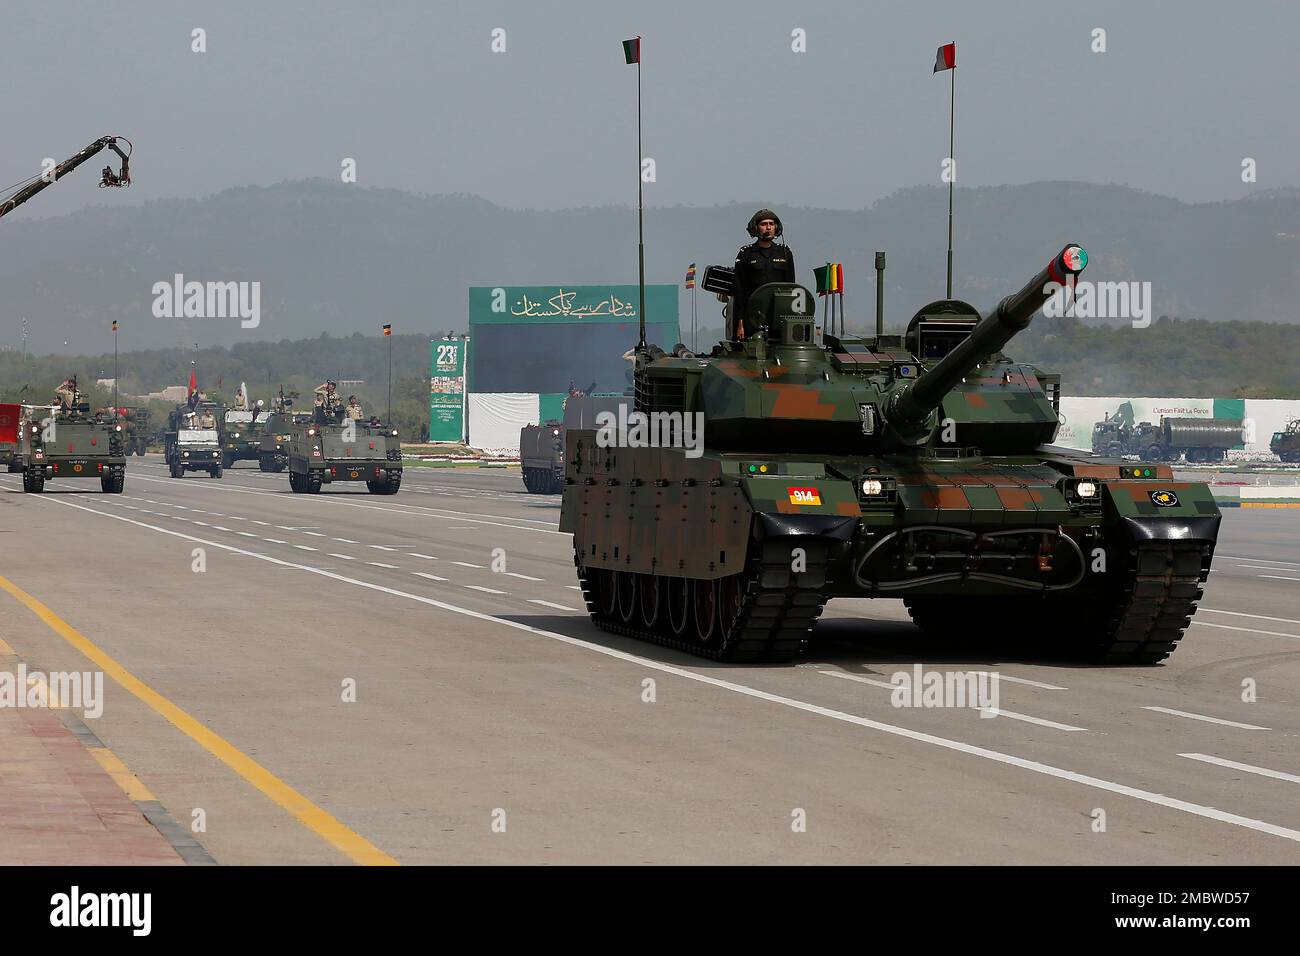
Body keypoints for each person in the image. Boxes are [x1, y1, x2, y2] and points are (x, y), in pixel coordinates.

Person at [731, 209, 795, 340]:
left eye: (771, 224)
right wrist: (740, 323)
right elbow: (739, 290)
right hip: (752, 315)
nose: (768, 227)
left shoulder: (784, 253)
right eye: (764, 224)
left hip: (779, 314)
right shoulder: (746, 254)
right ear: (755, 228)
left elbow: (791, 287)